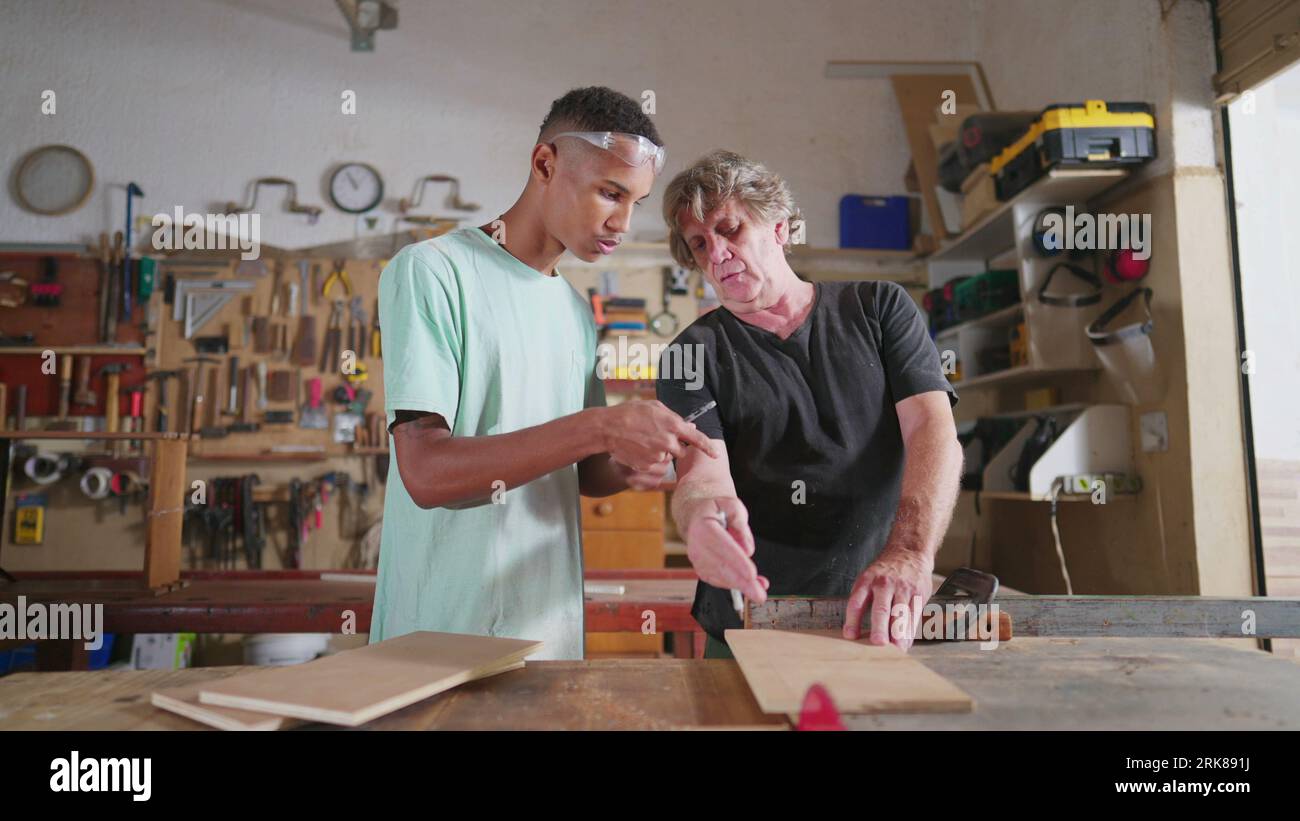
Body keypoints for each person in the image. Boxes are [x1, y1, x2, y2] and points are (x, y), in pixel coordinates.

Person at [372, 87, 718, 660]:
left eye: (636, 201)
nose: (624, 223)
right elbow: (426, 473)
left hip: (548, 641)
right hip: (439, 639)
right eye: (610, 193)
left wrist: (635, 458)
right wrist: (601, 427)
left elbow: (580, 473)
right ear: (545, 165)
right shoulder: (434, 272)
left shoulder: (574, 311)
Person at [656, 150, 963, 657]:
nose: (716, 254)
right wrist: (701, 523)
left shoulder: (879, 309)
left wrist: (910, 552)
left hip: (877, 609)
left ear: (779, 226)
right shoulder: (690, 355)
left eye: (730, 230)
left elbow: (933, 430)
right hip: (749, 618)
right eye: (699, 244)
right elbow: (701, 478)